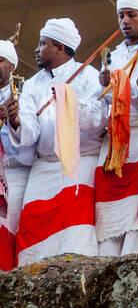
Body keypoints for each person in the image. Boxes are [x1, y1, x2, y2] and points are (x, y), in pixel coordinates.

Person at [10, 19, 105, 264]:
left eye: (43, 44)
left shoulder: (89, 76)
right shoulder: (31, 85)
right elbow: (30, 131)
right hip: (44, 167)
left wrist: (70, 101)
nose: (36, 49)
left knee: (74, 232)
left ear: (60, 48)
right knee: (32, 230)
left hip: (79, 164)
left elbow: (99, 120)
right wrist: (16, 120)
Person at [95, 0, 138, 256]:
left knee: (136, 213)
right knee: (110, 208)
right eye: (121, 16)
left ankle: (133, 259)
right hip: (115, 143)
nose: (125, 21)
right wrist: (106, 87)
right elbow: (103, 102)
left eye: (132, 15)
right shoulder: (113, 55)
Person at [0, 40, 34, 270]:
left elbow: (28, 142)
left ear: (11, 66)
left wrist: (11, 120)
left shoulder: (24, 93)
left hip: (15, 175)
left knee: (10, 236)